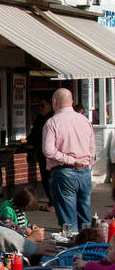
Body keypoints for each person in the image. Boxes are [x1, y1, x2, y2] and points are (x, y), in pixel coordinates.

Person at [43, 87, 96, 235]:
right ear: (72, 102)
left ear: (54, 102)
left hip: (64, 172)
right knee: (85, 217)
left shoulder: (52, 122)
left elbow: (48, 150)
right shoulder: (85, 121)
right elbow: (92, 148)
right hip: (84, 171)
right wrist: (87, 164)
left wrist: (71, 161)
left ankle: (72, 252)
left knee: (68, 220)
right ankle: (88, 249)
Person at [27, 96, 54, 202]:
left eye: (43, 105)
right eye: (39, 106)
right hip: (41, 153)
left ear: (50, 106)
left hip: (50, 155)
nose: (40, 108)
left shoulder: (52, 120)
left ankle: (53, 202)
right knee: (45, 178)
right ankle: (51, 200)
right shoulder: (39, 119)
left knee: (50, 178)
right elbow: (34, 134)